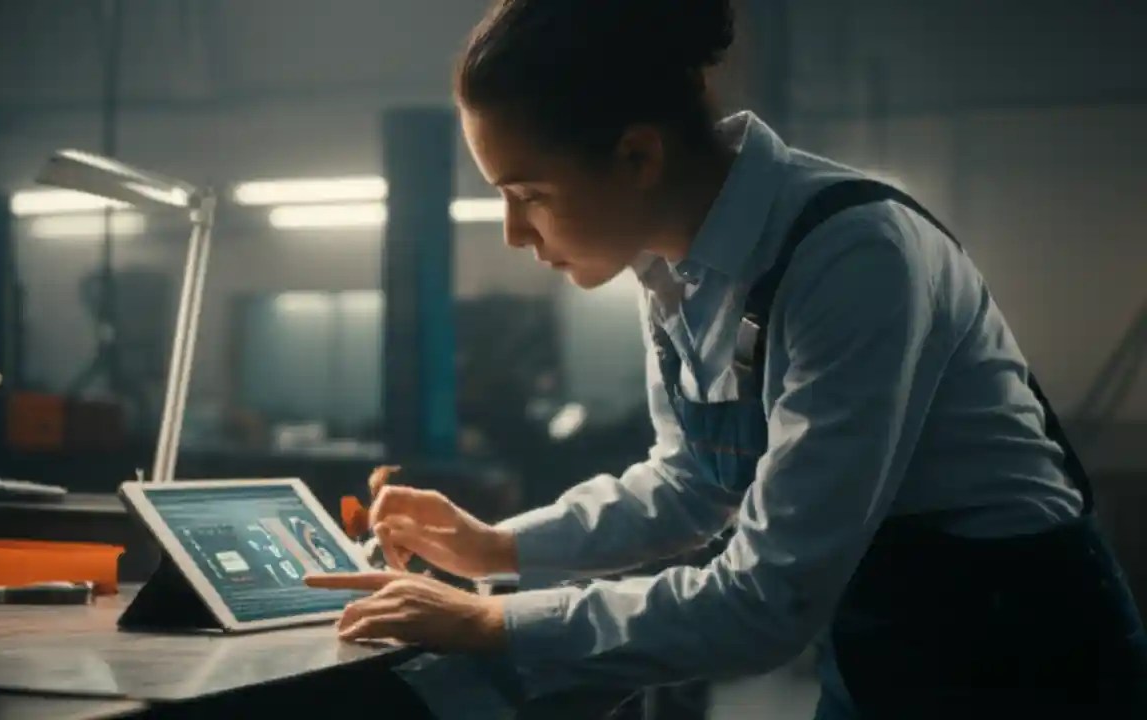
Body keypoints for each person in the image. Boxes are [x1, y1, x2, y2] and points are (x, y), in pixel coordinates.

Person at [307, 0, 1147, 716]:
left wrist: (497, 622)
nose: (513, 233)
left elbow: (766, 600)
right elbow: (695, 482)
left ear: (637, 155)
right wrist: (495, 548)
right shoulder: (671, 266)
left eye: (528, 195)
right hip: (887, 642)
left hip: (1029, 656)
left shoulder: (854, 256)